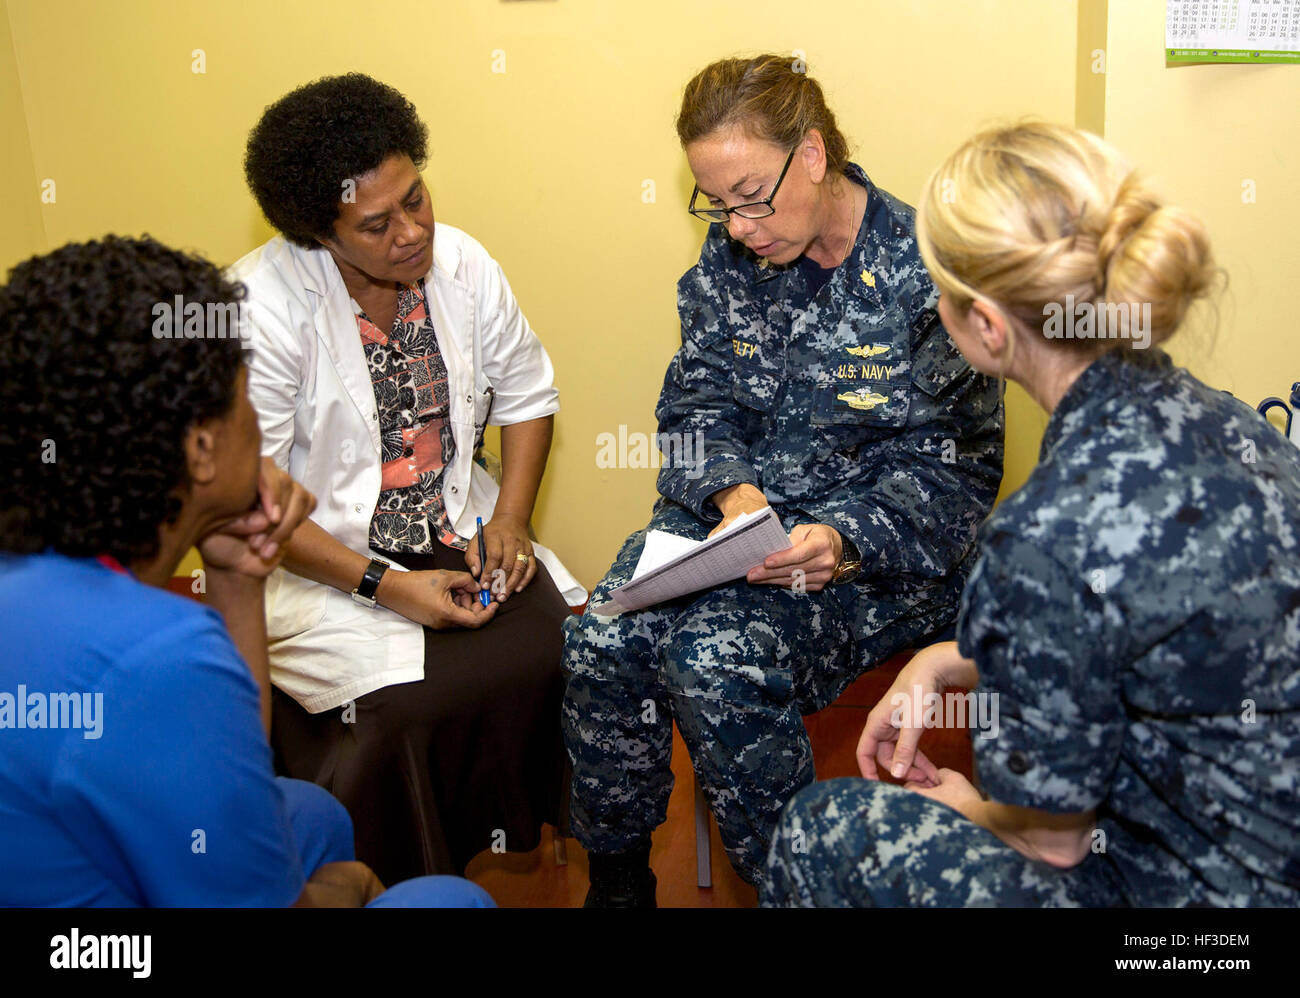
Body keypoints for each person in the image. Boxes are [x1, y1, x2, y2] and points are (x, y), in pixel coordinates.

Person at [763, 121, 1300, 907]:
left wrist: (965, 811)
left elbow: (1051, 842)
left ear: (983, 325)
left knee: (820, 829)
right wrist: (950, 658)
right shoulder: (1233, 425)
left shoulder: (1044, 533)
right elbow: (1134, 627)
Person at [563, 55, 1004, 904]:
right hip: (737, 525)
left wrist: (840, 542)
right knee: (601, 639)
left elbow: (958, 480)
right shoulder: (735, 256)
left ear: (812, 154)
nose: (735, 225)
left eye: (751, 195)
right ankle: (619, 884)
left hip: (875, 560)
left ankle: (796, 887)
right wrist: (737, 497)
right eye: (715, 202)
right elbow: (694, 402)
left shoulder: (930, 272)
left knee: (716, 658)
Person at [0, 236, 492, 907]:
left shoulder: (52, 576)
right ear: (201, 451)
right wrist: (340, 893)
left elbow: (227, 779)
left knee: (312, 816)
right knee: (449, 902)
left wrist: (236, 576)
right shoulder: (160, 655)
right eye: (243, 402)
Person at [231, 74, 585, 885]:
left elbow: (530, 393)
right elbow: (257, 497)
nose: (413, 231)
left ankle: (542, 846)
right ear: (320, 235)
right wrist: (387, 586)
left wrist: (514, 522)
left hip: (457, 528)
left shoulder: (461, 263)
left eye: (417, 197)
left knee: (572, 650)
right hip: (321, 559)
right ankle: (408, 881)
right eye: (377, 223)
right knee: (403, 709)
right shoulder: (261, 307)